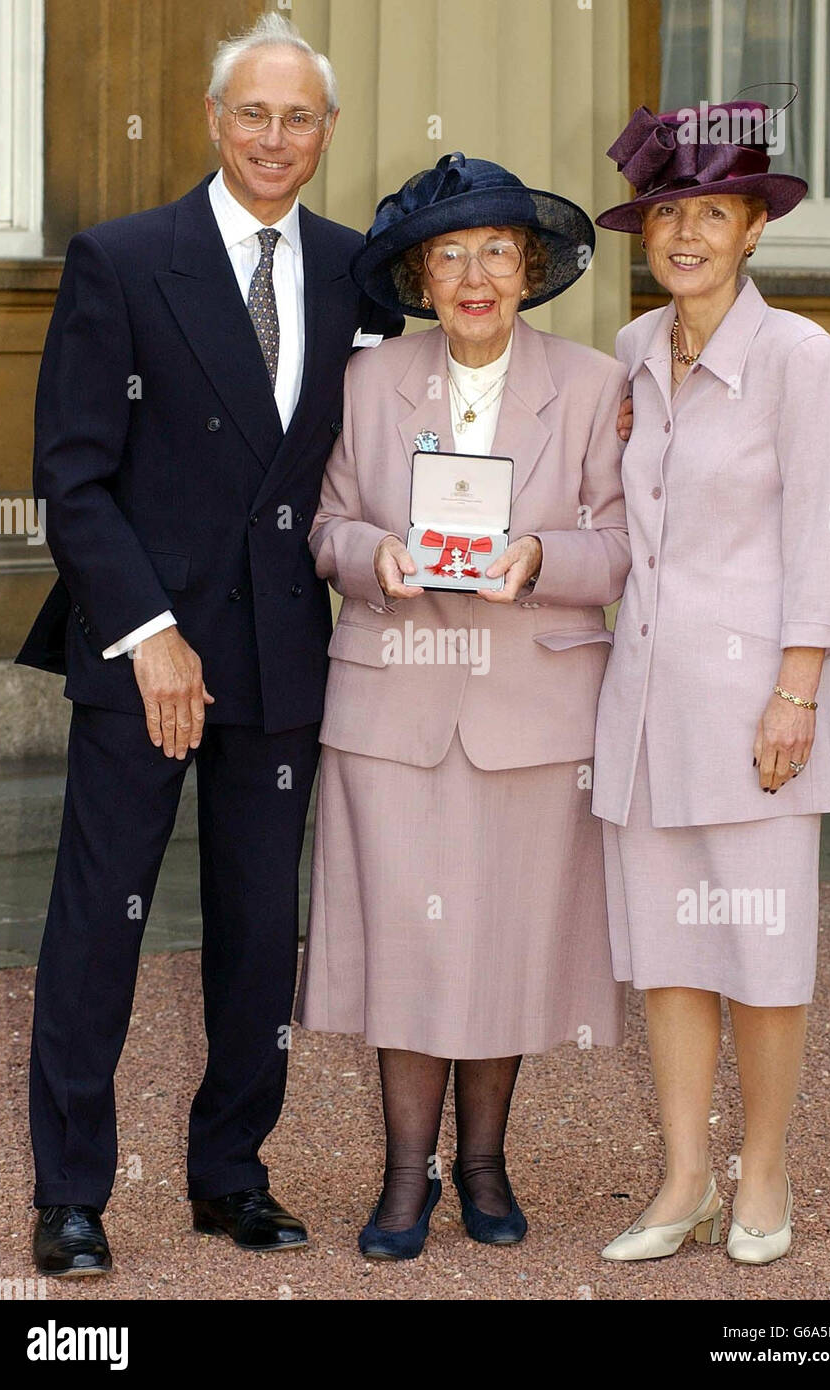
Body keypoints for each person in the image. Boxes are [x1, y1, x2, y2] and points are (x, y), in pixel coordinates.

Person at [15, 13, 402, 1277]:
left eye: (300, 117)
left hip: (287, 655)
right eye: (254, 113)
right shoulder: (124, 260)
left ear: (327, 132)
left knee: (255, 929)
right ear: (211, 119)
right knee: (97, 927)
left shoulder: (360, 274)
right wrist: (149, 634)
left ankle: (230, 1173)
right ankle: (71, 1192)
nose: (275, 137)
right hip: (146, 656)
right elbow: (74, 477)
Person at [294, 151, 631, 1260]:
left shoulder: (589, 385)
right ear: (421, 278)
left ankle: (484, 1165)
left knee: (504, 945)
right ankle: (405, 1179)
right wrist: (372, 557)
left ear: (529, 268)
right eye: (451, 255)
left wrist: (539, 554)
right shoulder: (365, 383)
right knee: (407, 943)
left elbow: (625, 546)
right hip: (392, 711)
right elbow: (327, 526)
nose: (476, 274)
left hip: (533, 716)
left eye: (497, 251)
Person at [591, 99, 830, 1264]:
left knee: (760, 950)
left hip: (759, 708)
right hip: (645, 708)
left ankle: (766, 1175)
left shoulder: (803, 356)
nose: (685, 233)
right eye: (666, 213)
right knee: (668, 949)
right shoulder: (633, 352)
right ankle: (685, 1178)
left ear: (754, 227)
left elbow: (823, 534)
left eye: (712, 211)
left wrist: (797, 690)